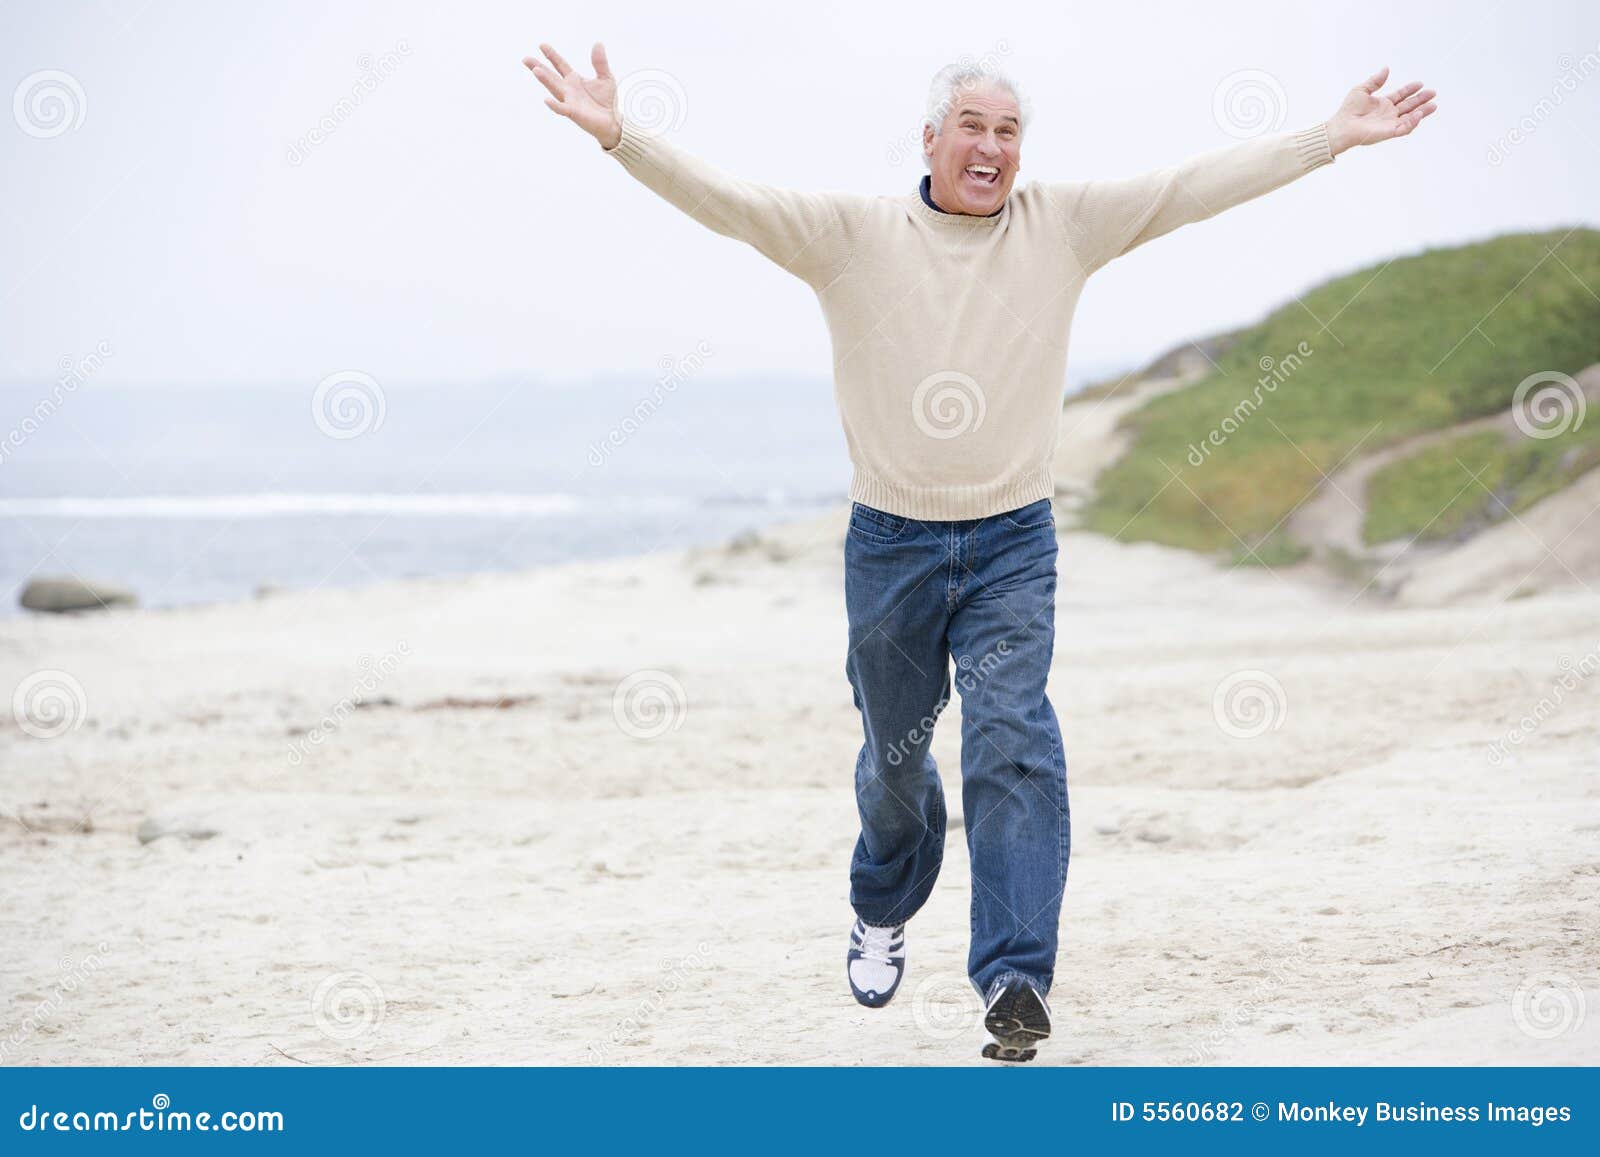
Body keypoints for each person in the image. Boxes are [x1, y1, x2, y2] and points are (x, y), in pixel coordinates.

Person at [522, 42, 1437, 1062]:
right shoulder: (851, 237)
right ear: (930, 141)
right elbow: (729, 201)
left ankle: (1013, 976)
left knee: (1010, 737)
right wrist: (619, 134)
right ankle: (882, 899)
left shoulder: (1063, 227)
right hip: (889, 545)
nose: (992, 148)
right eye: (974, 127)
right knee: (895, 761)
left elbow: (1189, 188)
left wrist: (1330, 137)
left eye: (1009, 132)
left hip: (1012, 538)